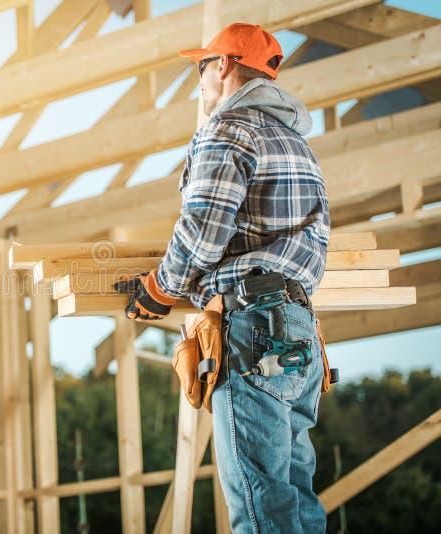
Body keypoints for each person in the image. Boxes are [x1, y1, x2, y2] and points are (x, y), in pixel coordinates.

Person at [117, 23, 330, 532]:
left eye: (202, 68)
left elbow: (203, 228)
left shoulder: (229, 128)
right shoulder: (297, 145)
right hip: (297, 330)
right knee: (295, 500)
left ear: (225, 65)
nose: (201, 82)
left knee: (259, 507)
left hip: (253, 328)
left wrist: (161, 289)